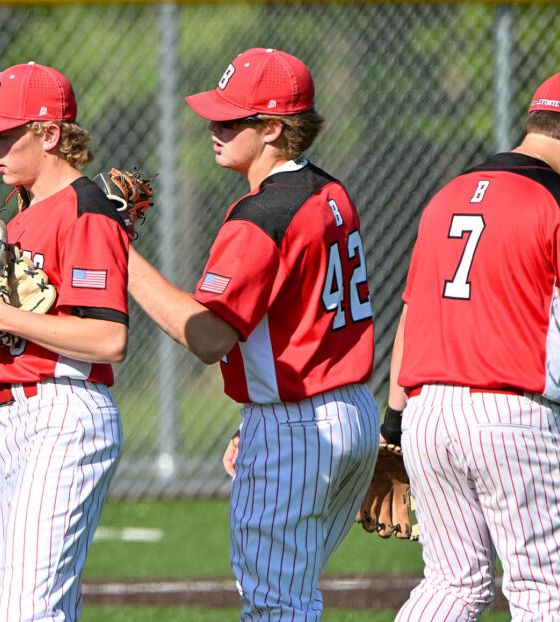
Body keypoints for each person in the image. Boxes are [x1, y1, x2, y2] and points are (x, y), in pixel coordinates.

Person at [126, 48, 379, 619]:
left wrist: (121, 258)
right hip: (349, 413)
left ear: (272, 129)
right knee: (294, 594)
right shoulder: (329, 190)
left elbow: (210, 336)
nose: (213, 128)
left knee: (276, 606)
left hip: (298, 426)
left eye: (230, 119)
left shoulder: (263, 214)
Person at [385, 72, 560, 621]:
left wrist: (392, 425)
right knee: (541, 591)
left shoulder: (447, 193)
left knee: (452, 584)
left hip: (426, 411)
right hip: (511, 416)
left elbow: (410, 313)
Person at [0, 61, 129, 622]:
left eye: (4, 134)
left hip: (65, 410)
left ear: (49, 134)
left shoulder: (84, 210)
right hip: (17, 415)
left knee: (31, 610)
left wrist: (7, 315)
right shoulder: (21, 213)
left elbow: (108, 337)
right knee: (32, 606)